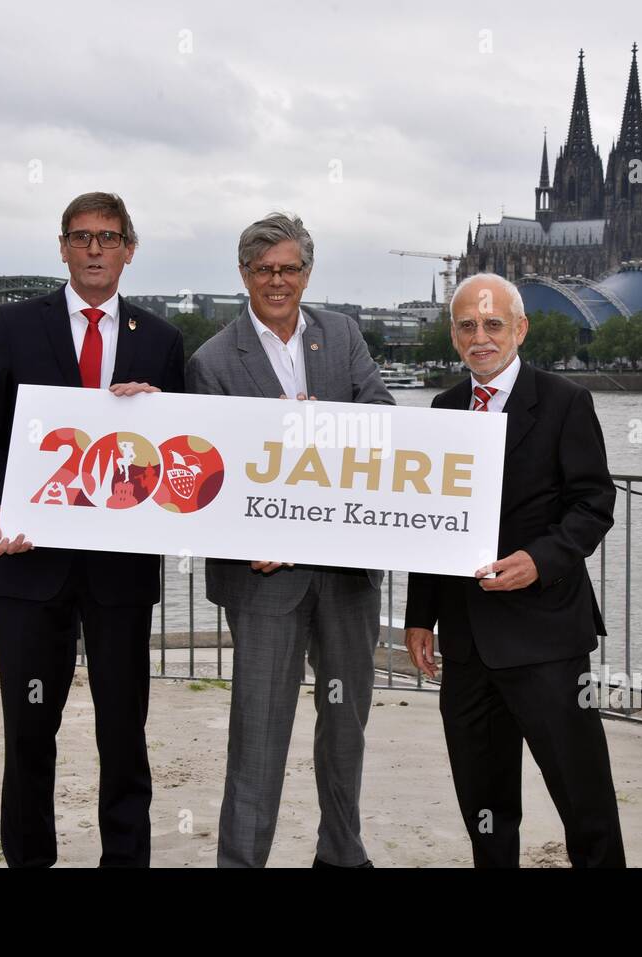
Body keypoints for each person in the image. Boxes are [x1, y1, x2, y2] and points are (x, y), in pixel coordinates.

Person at [0, 191, 184, 867]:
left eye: (108, 238)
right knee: (28, 731)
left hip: (120, 571)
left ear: (128, 250)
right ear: (62, 247)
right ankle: (30, 860)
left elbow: (180, 456)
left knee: (124, 734)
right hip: (31, 566)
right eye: (81, 237)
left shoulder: (162, 340)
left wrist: (162, 415)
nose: (94, 250)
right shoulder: (16, 326)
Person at [185, 212, 392, 867]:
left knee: (346, 725)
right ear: (245, 274)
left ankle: (341, 852)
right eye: (265, 269)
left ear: (307, 272)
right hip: (263, 577)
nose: (278, 280)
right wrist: (250, 533)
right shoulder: (212, 361)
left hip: (344, 570)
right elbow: (204, 471)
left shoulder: (343, 335)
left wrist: (323, 424)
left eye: (290, 268)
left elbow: (383, 421)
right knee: (259, 730)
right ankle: (241, 861)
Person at [404, 272, 626, 868]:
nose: (481, 337)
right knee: (484, 804)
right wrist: (420, 616)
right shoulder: (444, 408)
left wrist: (541, 560)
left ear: (520, 329)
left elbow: (594, 504)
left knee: (584, 799)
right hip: (468, 644)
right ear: (453, 334)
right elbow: (431, 518)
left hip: (547, 637)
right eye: (469, 326)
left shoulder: (565, 402)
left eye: (493, 324)